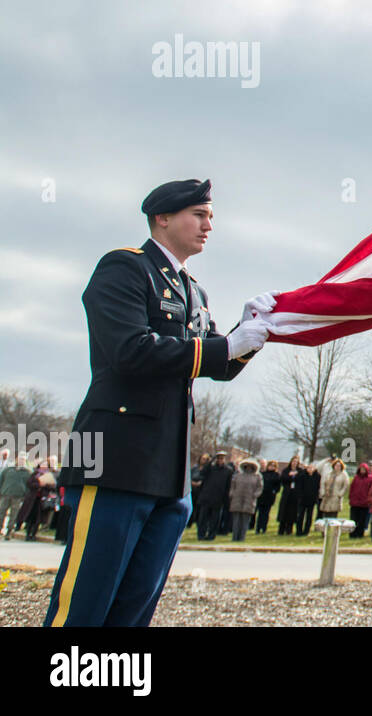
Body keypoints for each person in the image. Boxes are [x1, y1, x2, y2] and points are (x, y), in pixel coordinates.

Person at [43, 178, 274, 626]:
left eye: (211, 217)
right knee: (86, 603)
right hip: (114, 460)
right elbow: (130, 351)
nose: (209, 226)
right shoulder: (125, 268)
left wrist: (249, 334)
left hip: (169, 473)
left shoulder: (194, 291)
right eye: (200, 215)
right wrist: (223, 347)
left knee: (135, 608)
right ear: (162, 218)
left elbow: (216, 365)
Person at [195, 450, 234, 540]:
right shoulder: (210, 468)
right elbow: (202, 473)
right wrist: (211, 461)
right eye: (218, 458)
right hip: (206, 497)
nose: (220, 460)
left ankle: (211, 535)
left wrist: (226, 499)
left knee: (215, 519)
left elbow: (228, 486)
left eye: (222, 458)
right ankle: (201, 535)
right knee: (203, 518)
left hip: (218, 499)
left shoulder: (228, 470)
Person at [227, 457, 263, 543]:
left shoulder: (257, 476)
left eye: (251, 466)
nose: (249, 468)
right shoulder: (237, 475)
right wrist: (232, 494)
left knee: (245, 521)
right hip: (237, 499)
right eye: (247, 466)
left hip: (249, 501)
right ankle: (234, 537)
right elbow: (232, 486)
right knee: (236, 521)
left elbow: (260, 488)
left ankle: (241, 537)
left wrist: (255, 495)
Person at [0, 454, 30, 539]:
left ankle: (9, 533)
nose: (21, 461)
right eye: (20, 459)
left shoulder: (27, 472)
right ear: (17, 460)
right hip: (5, 494)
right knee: (1, 512)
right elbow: (1, 480)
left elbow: (28, 486)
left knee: (14, 515)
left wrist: (25, 495)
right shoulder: (8, 470)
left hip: (18, 496)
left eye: (23, 460)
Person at [348, 461, 372, 538]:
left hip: (365, 503)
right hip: (355, 502)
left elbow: (371, 490)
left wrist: (369, 499)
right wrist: (351, 498)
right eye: (361, 469)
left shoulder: (371, 478)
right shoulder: (356, 478)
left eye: (364, 469)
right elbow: (352, 488)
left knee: (362, 520)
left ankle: (360, 534)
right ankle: (352, 534)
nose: (362, 471)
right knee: (353, 520)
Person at [278, 456, 302, 535]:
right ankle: (281, 529)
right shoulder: (286, 470)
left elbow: (301, 480)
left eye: (296, 462)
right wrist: (289, 475)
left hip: (295, 494)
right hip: (287, 493)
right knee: (284, 511)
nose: (294, 463)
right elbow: (282, 479)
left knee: (292, 512)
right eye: (293, 461)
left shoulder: (300, 471)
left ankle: (289, 529)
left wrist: (296, 475)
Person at [255, 459, 280, 534]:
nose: (271, 467)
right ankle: (258, 528)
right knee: (260, 513)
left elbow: (278, 486)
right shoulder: (263, 474)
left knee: (266, 513)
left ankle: (264, 528)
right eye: (270, 465)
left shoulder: (276, 475)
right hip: (261, 496)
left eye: (273, 466)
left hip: (269, 497)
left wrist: (274, 491)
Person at [296, 462, 321, 535]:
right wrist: (300, 496)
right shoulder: (302, 475)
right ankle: (299, 531)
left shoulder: (317, 476)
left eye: (312, 468)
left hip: (312, 500)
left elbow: (318, 488)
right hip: (303, 499)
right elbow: (299, 487)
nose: (310, 469)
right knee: (300, 515)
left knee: (309, 516)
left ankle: (306, 531)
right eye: (309, 468)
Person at [187, 453, 210, 529]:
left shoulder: (207, 469)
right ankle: (189, 522)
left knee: (199, 508)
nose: (204, 460)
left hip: (202, 491)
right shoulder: (194, 468)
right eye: (203, 458)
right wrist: (192, 482)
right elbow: (189, 476)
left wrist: (201, 483)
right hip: (193, 489)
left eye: (206, 459)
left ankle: (197, 522)